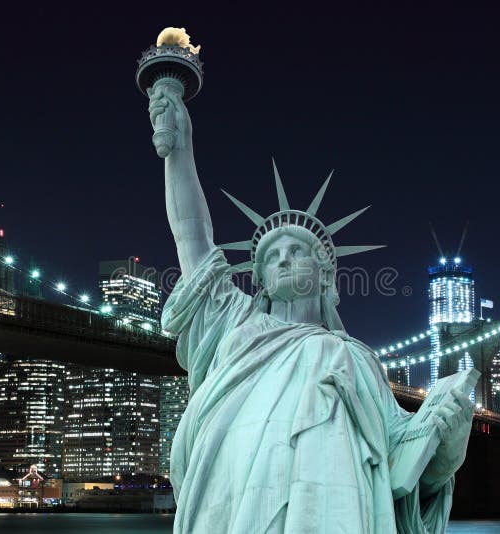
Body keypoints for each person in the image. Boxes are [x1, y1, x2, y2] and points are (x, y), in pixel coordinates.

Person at [149, 85, 474, 533]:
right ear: (259, 279)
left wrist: (449, 449)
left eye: (296, 251)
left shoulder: (357, 361)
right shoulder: (236, 324)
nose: (282, 258)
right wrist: (179, 149)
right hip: (232, 507)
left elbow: (401, 465)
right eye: (271, 255)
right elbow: (192, 236)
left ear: (324, 275)